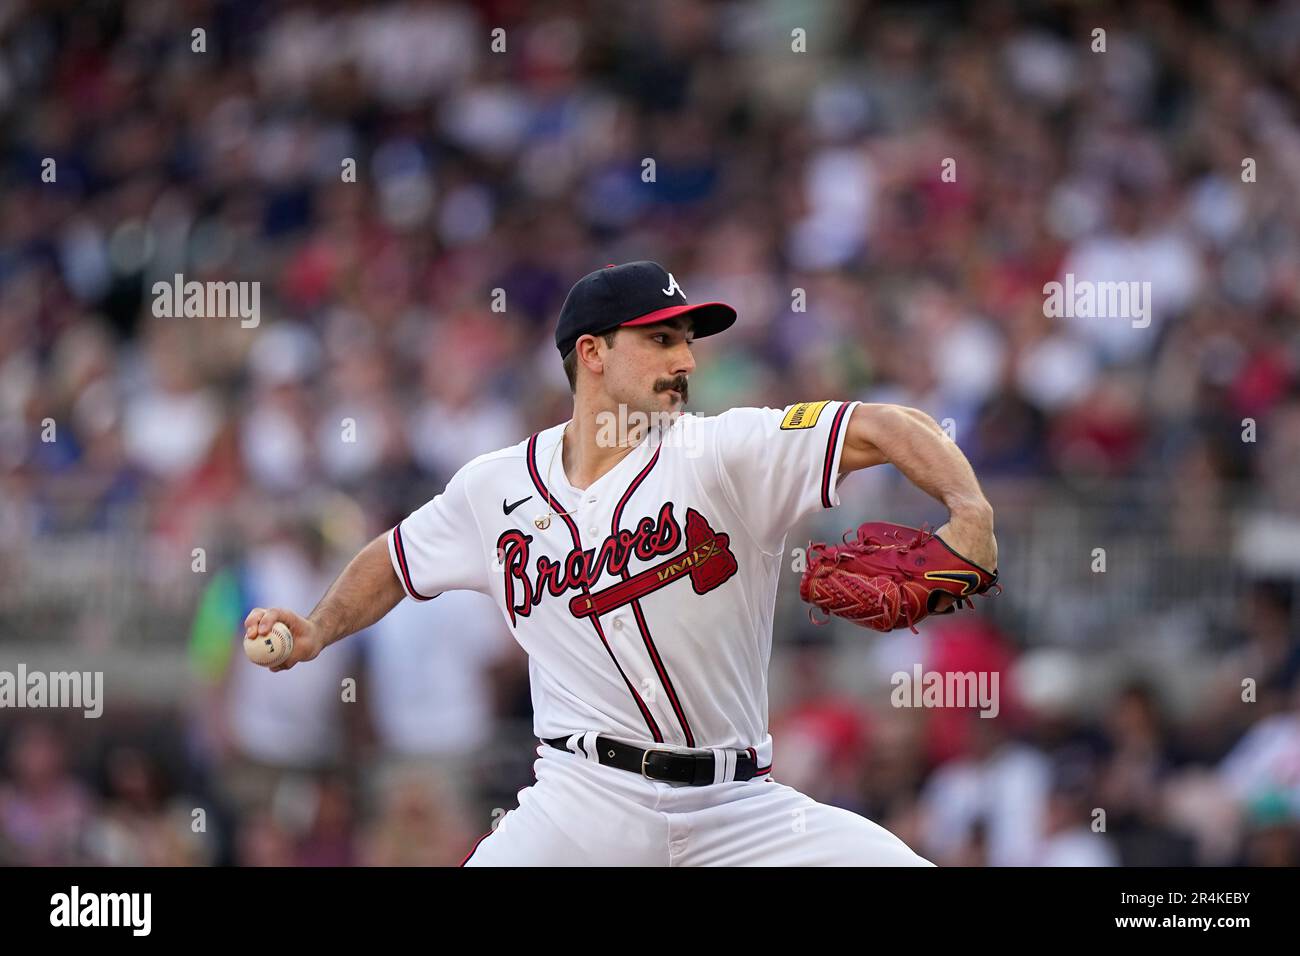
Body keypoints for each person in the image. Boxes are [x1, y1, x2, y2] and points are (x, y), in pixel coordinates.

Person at [244, 261, 998, 866]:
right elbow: (396, 560)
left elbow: (887, 425)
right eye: (661, 340)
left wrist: (971, 512)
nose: (686, 360)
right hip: (580, 807)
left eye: (687, 341)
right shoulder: (495, 486)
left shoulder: (724, 450)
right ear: (594, 353)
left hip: (739, 813)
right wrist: (315, 629)